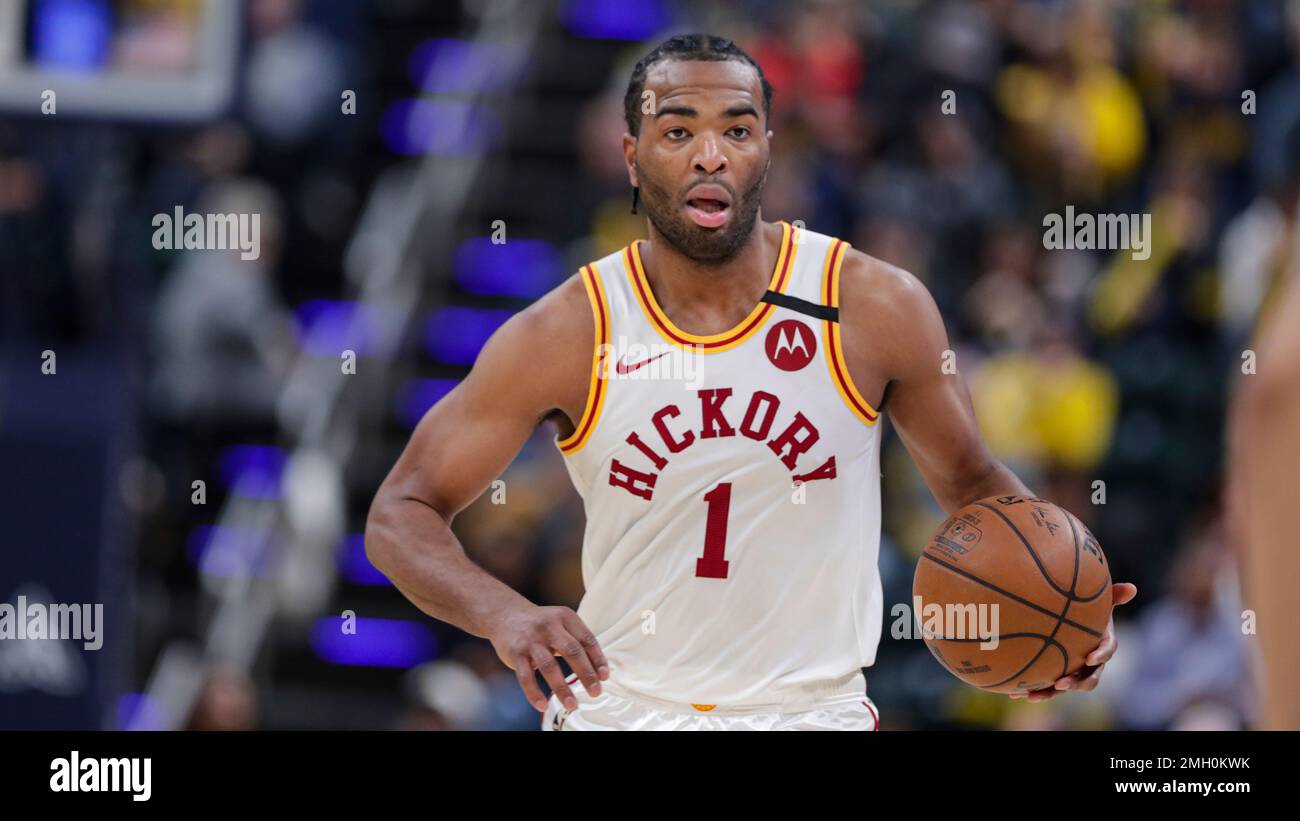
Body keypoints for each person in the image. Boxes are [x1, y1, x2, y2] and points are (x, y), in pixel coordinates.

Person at [365, 33, 1135, 731]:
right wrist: (504, 613)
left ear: (768, 148)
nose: (710, 155)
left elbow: (972, 481)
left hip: (810, 710)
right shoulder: (570, 329)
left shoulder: (873, 304)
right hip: (624, 707)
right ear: (632, 157)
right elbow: (401, 512)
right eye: (678, 131)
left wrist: (1063, 607)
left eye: (736, 129)